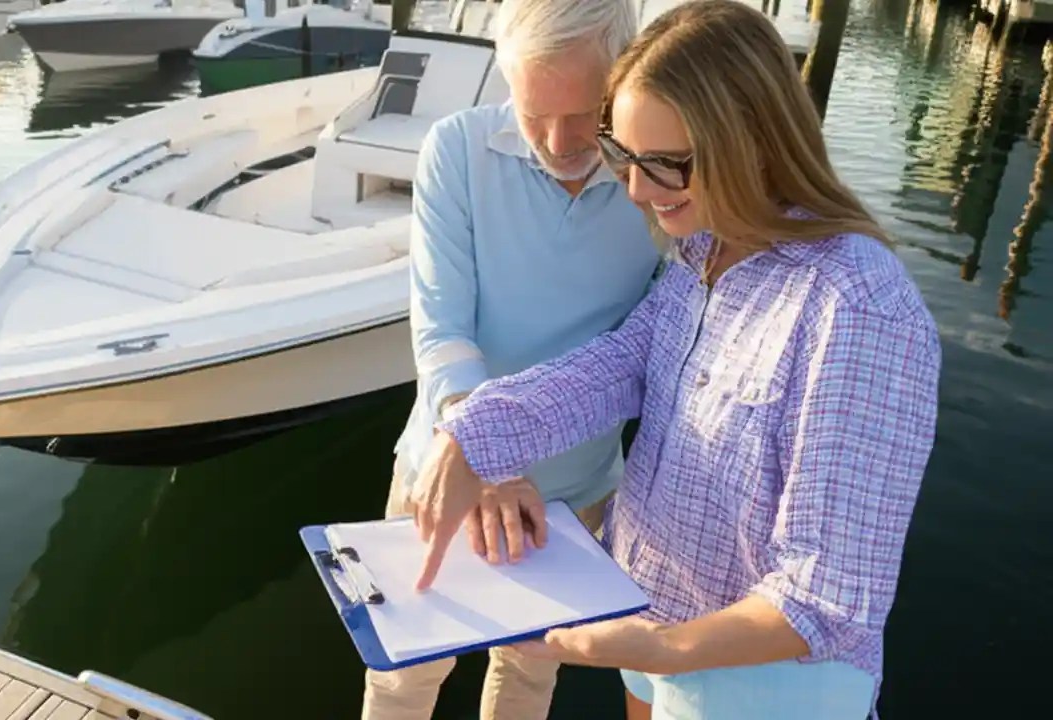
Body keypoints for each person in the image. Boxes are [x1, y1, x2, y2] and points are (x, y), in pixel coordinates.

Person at [407, 2, 942, 719]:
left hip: (761, 682)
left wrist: (665, 649)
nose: (635, 190)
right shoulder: (703, 251)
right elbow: (622, 365)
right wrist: (470, 435)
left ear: (753, 138)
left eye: (663, 163)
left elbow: (830, 595)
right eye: (625, 157)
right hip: (658, 638)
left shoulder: (859, 308)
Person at [363, 0, 660, 718]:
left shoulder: (657, 179)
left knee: (528, 674)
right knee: (404, 675)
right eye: (534, 115)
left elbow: (652, 339)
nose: (559, 142)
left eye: (585, 115)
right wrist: (489, 454)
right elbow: (440, 328)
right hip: (445, 465)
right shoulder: (454, 149)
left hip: (576, 489)